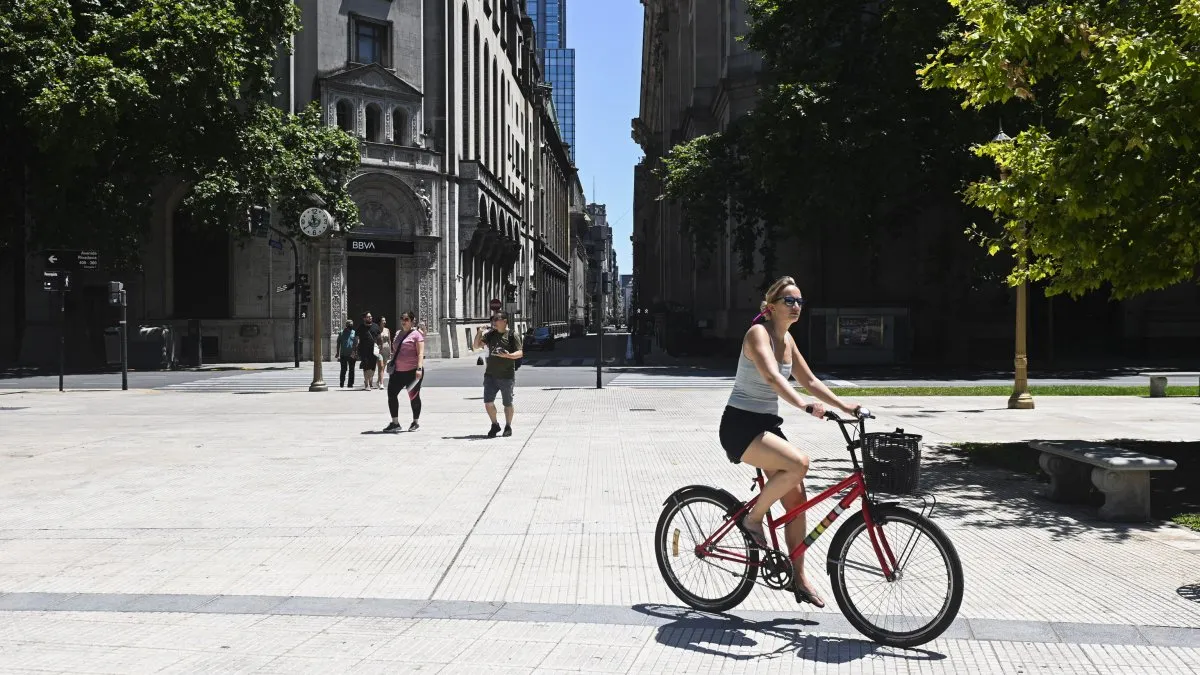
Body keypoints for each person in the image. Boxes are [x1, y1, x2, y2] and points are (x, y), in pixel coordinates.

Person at [719, 275, 861, 609]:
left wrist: (846, 407)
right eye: (789, 301)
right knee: (799, 463)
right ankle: (752, 519)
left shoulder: (789, 340)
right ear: (770, 307)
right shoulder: (758, 334)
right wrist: (803, 406)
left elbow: (809, 379)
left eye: (799, 301)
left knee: (798, 504)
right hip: (741, 426)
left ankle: (799, 578)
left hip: (766, 426)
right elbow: (770, 376)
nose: (796, 306)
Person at [472, 311, 523, 437]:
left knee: (507, 403)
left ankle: (508, 426)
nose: (494, 322)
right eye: (494, 319)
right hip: (490, 375)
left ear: (505, 321)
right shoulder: (490, 334)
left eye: (497, 319)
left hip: (506, 375)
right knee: (488, 402)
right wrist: (479, 332)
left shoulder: (512, 335)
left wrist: (508, 355)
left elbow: (520, 352)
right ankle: (495, 424)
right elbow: (475, 346)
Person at [384, 312, 424, 432]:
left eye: (406, 319)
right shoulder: (397, 333)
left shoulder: (417, 335)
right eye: (402, 318)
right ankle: (395, 423)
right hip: (397, 371)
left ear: (412, 321)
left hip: (412, 372)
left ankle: (415, 422)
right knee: (391, 394)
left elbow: (421, 353)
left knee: (413, 397)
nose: (403, 321)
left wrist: (419, 368)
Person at [354, 311, 382, 390]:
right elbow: (356, 337)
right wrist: (355, 348)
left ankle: (370, 381)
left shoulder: (376, 326)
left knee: (372, 367)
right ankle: (367, 384)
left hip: (374, 350)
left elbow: (379, 337)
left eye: (371, 316)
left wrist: (380, 346)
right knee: (366, 366)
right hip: (363, 350)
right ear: (364, 318)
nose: (370, 318)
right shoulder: (360, 327)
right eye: (368, 317)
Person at [337, 319, 357, 388]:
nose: (351, 326)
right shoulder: (341, 333)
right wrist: (337, 353)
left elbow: (356, 343)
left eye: (352, 324)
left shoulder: (354, 332)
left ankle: (350, 384)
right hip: (343, 354)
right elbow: (338, 343)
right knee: (343, 369)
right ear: (346, 325)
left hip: (352, 354)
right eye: (349, 325)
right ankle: (341, 382)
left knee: (352, 370)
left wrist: (355, 352)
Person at [376, 317, 392, 389]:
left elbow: (389, 340)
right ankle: (381, 383)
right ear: (380, 322)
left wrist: (390, 351)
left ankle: (378, 380)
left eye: (385, 320)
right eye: (383, 320)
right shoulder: (376, 330)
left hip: (386, 349)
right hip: (379, 350)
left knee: (383, 366)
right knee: (381, 366)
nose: (384, 322)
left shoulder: (387, 330)